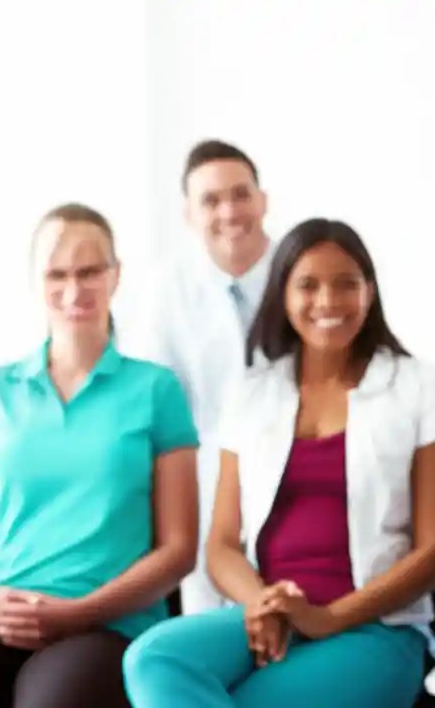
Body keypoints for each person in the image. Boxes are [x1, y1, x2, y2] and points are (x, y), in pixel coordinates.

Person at [123, 219, 435, 708]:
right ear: (282, 293)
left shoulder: (419, 386)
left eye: (347, 283)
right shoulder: (253, 393)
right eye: (308, 285)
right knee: (152, 658)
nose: (328, 301)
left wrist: (328, 617)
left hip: (374, 630)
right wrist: (262, 602)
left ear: (370, 291)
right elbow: (221, 545)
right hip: (269, 618)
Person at [0, 203, 199, 707]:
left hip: (107, 620)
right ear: (35, 281)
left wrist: (77, 612)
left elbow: (178, 550)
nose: (74, 290)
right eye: (57, 274)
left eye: (89, 272)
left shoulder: (156, 390)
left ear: (115, 276)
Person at [122, 139, 276, 614]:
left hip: (294, 476)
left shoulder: (302, 271)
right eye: (210, 200)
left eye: (240, 194)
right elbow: (154, 406)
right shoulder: (165, 290)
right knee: (209, 623)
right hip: (204, 490)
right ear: (189, 214)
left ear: (262, 200)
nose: (229, 211)